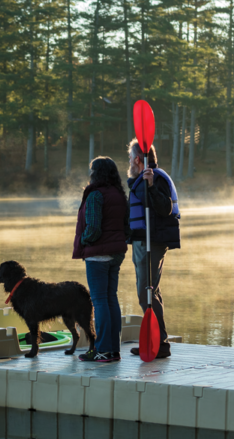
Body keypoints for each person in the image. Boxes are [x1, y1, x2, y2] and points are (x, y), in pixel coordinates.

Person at [126, 139, 180, 358]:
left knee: (146, 292)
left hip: (152, 242)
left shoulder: (154, 178)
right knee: (149, 292)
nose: (128, 161)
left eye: (130, 157)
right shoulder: (143, 178)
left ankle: (160, 344)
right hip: (143, 241)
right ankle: (154, 340)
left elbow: (165, 208)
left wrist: (149, 187)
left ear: (137, 159)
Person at [72, 156, 130, 362]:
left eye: (92, 171)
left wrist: (85, 242)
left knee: (100, 301)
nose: (90, 174)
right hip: (116, 254)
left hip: (98, 255)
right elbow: (126, 226)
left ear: (97, 173)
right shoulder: (119, 194)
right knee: (111, 299)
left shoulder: (96, 195)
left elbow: (94, 228)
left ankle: (103, 350)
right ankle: (113, 350)